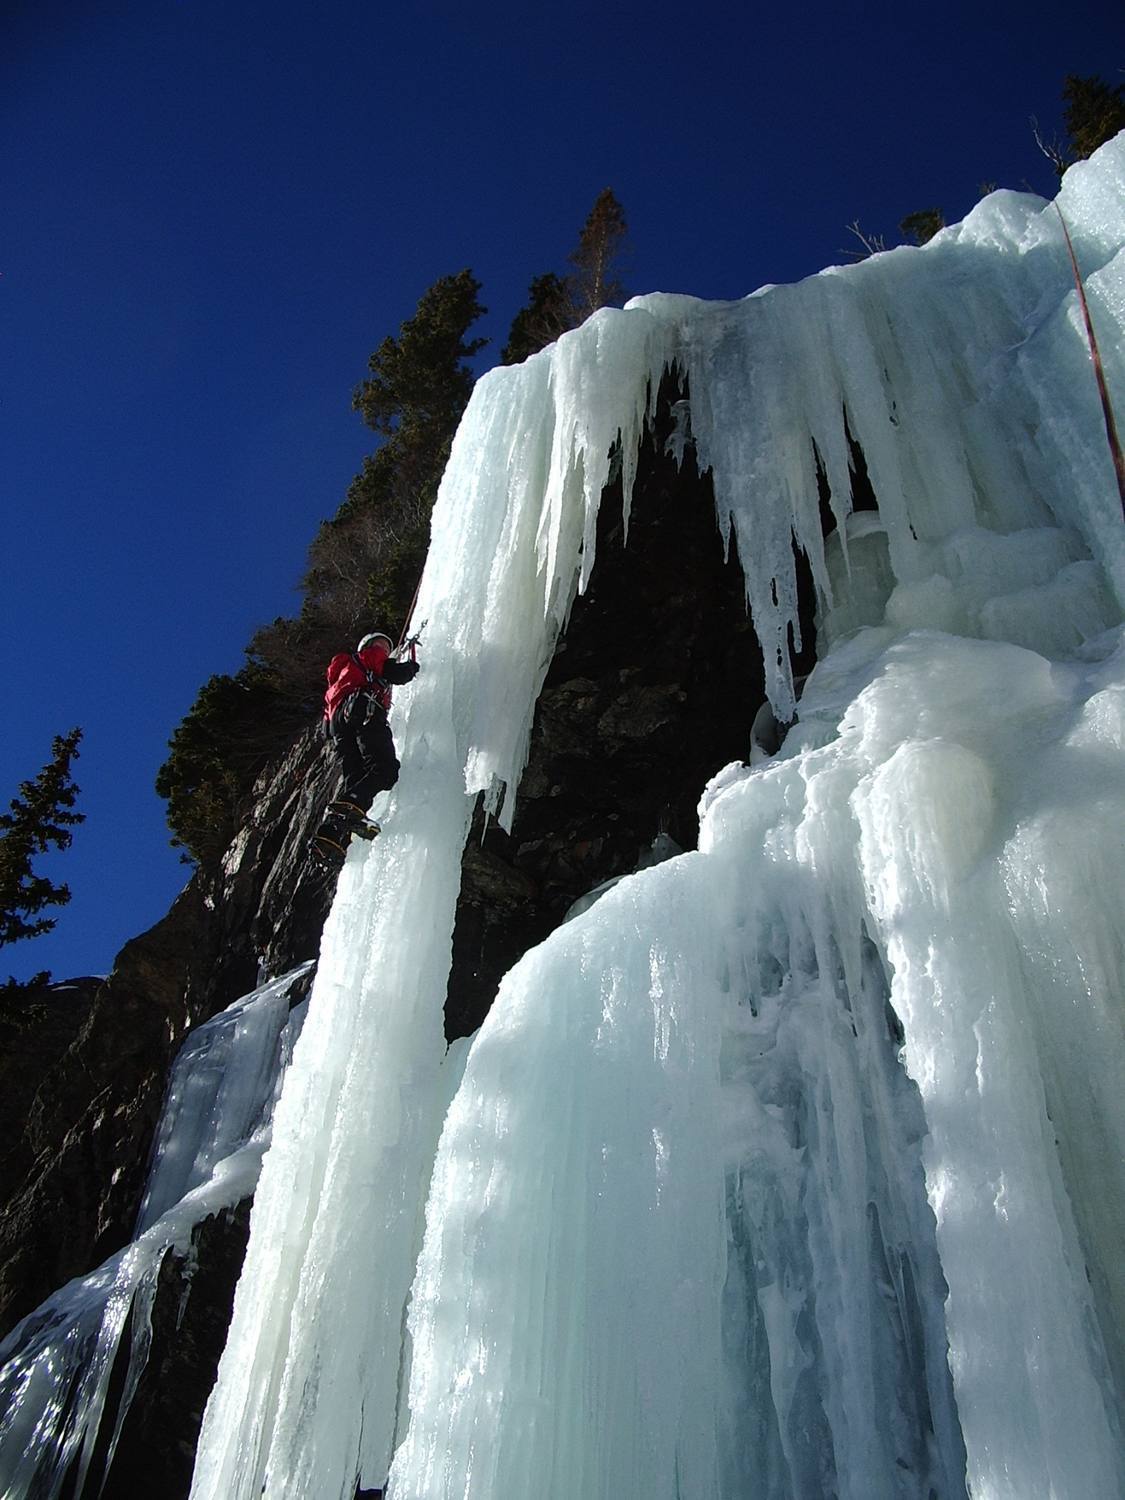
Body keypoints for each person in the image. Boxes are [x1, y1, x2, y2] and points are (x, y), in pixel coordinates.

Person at [317, 630, 420, 849]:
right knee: (385, 769)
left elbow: (327, 724)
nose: (384, 649)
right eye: (381, 645)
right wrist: (410, 668)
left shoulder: (338, 681)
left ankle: (330, 834)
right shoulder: (369, 656)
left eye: (385, 647)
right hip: (363, 711)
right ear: (369, 646)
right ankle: (351, 806)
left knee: (355, 778)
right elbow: (394, 672)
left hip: (339, 729)